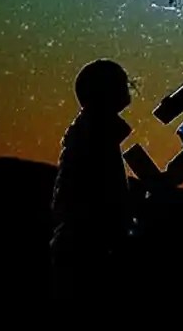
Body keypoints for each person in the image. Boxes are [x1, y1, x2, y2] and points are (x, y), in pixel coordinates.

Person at [49, 58, 135, 303]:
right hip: (87, 254)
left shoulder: (94, 130)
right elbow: (101, 201)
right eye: (122, 83)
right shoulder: (96, 135)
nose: (128, 88)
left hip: (82, 250)